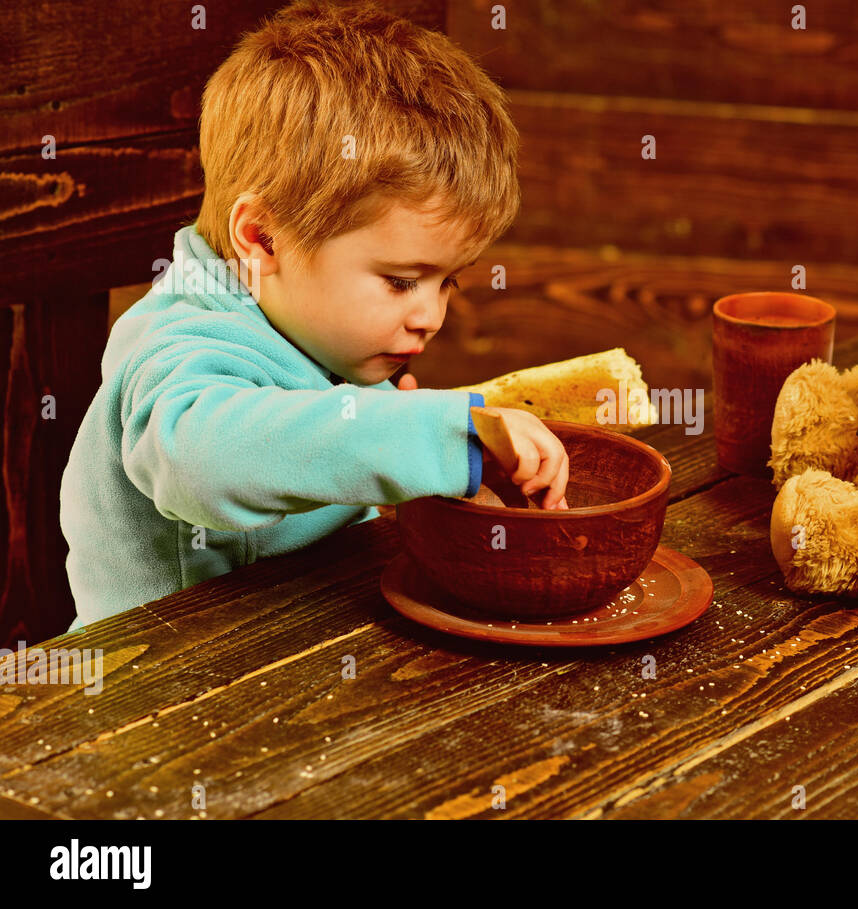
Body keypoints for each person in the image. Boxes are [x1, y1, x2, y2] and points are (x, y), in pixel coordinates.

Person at [59, 0, 566, 632]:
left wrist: (417, 457)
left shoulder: (314, 328)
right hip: (157, 676)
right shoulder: (180, 343)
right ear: (263, 238)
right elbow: (198, 463)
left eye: (448, 282)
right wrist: (425, 435)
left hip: (302, 646)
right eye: (401, 281)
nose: (430, 316)